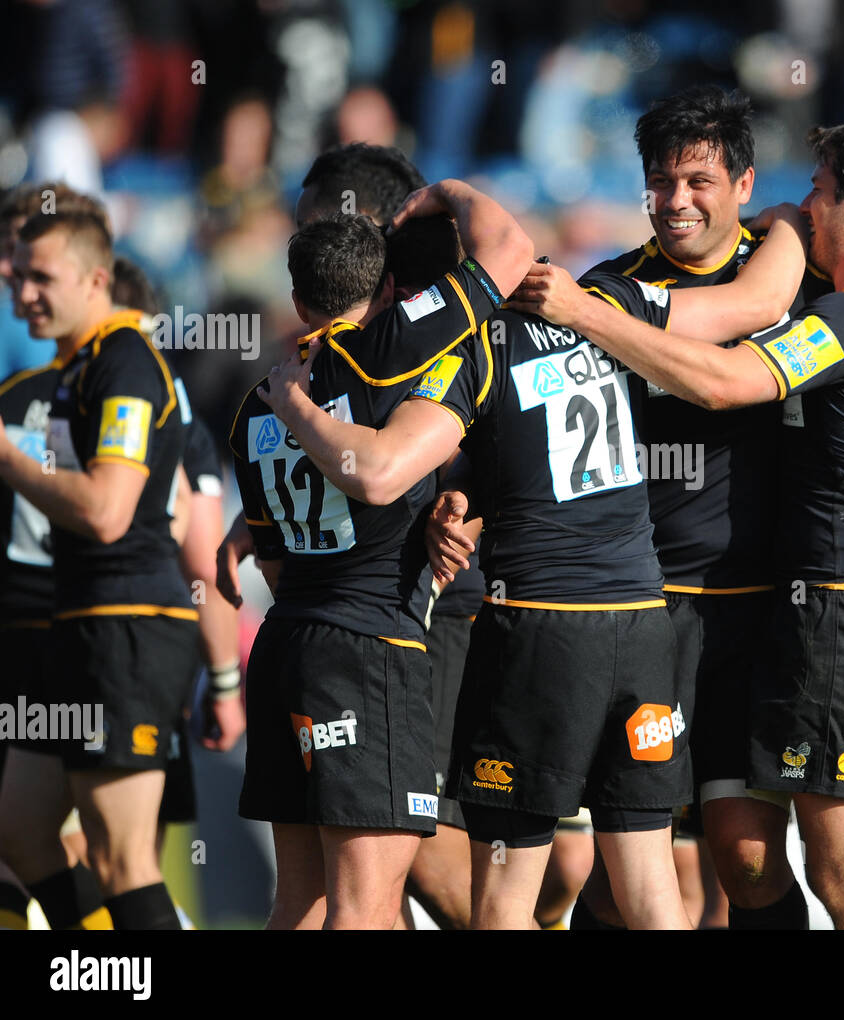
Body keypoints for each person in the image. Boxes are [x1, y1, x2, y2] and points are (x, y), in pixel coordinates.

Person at [496, 85, 844, 931]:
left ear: (742, 184)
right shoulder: (632, 284)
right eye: (661, 180)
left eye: (699, 180)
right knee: (654, 865)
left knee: (787, 869)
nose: (677, 199)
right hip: (657, 611)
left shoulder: (816, 287)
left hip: (790, 612)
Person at [261, 195, 811, 928]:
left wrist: (295, 407)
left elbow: (383, 468)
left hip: (542, 630)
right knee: (651, 891)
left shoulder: (469, 349)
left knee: (506, 899)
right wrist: (791, 222)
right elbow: (755, 303)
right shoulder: (608, 304)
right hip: (644, 622)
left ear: (420, 294)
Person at [227, 183, 531, 929]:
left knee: (296, 905)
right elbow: (512, 252)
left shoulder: (255, 404)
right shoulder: (388, 351)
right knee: (365, 909)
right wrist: (448, 192)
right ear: (390, 291)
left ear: (298, 302)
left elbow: (270, 563)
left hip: (285, 642)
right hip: (370, 649)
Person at [0, 210, 199, 929]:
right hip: (75, 621)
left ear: (95, 279)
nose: (22, 292)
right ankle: (97, 973)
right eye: (18, 275)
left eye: (40, 277)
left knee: (121, 859)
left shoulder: (124, 361)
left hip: (127, 625)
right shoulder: (74, 367)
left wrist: (7, 457)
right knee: (20, 832)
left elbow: (108, 512)